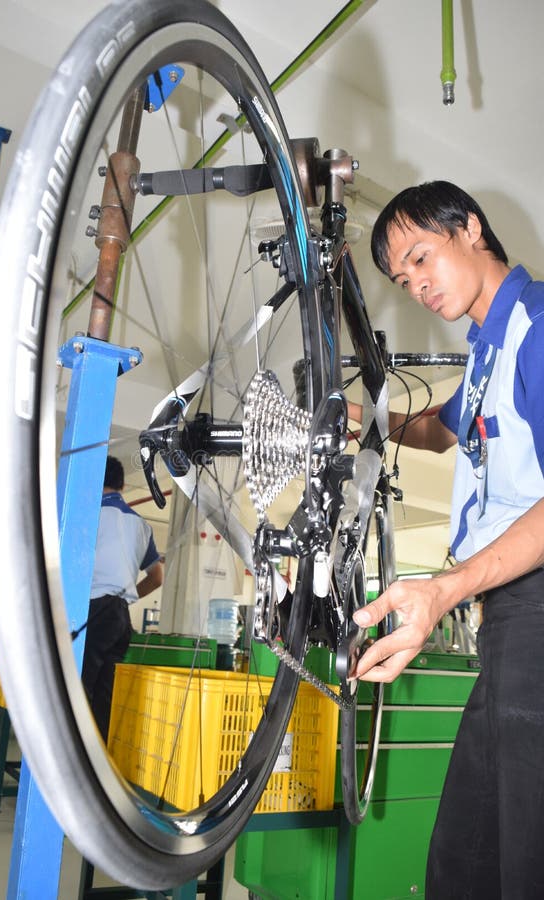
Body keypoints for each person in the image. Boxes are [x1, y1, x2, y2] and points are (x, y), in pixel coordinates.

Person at [346, 180, 544, 899]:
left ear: (472, 229)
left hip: (535, 611)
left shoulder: (539, 325)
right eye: (403, 280)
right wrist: (369, 423)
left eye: (422, 258)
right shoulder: (489, 352)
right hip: (508, 626)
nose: (417, 286)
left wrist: (446, 588)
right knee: (462, 865)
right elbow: (439, 426)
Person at [82, 455, 163, 741]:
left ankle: (73, 766)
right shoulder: (142, 525)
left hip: (91, 610)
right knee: (104, 696)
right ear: (123, 485)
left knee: (79, 691)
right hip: (120, 619)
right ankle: (97, 764)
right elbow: (157, 577)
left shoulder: (87, 514)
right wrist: (126, 599)